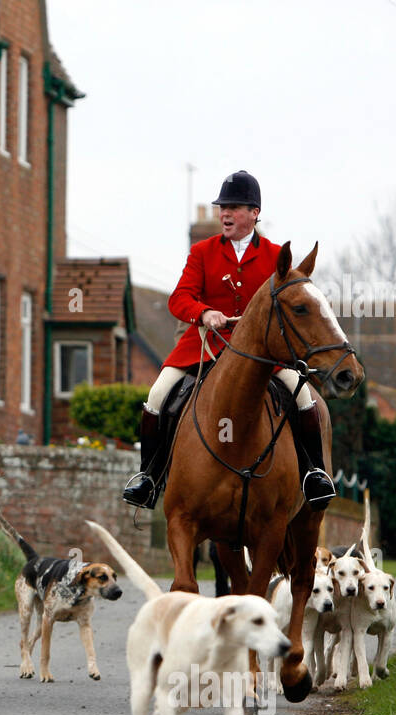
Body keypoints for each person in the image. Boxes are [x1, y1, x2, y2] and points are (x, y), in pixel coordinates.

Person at [121, 170, 336, 510]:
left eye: (234, 207)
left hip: (263, 354)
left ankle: (314, 475)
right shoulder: (202, 252)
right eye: (222, 207)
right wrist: (204, 312)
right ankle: (148, 477)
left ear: (254, 213)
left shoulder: (275, 255)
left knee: (306, 400)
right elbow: (179, 299)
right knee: (157, 395)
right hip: (205, 347)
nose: (225, 213)